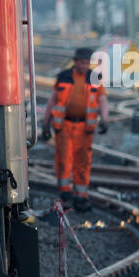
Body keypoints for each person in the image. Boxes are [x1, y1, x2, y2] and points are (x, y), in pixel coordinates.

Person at [41, 47, 109, 212]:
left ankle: (81, 196)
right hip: (64, 126)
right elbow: (53, 100)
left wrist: (105, 119)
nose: (85, 65)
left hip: (85, 128)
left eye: (87, 62)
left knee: (83, 162)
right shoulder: (63, 77)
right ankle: (66, 195)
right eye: (82, 62)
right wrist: (45, 123)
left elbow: (102, 99)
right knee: (64, 161)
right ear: (75, 61)